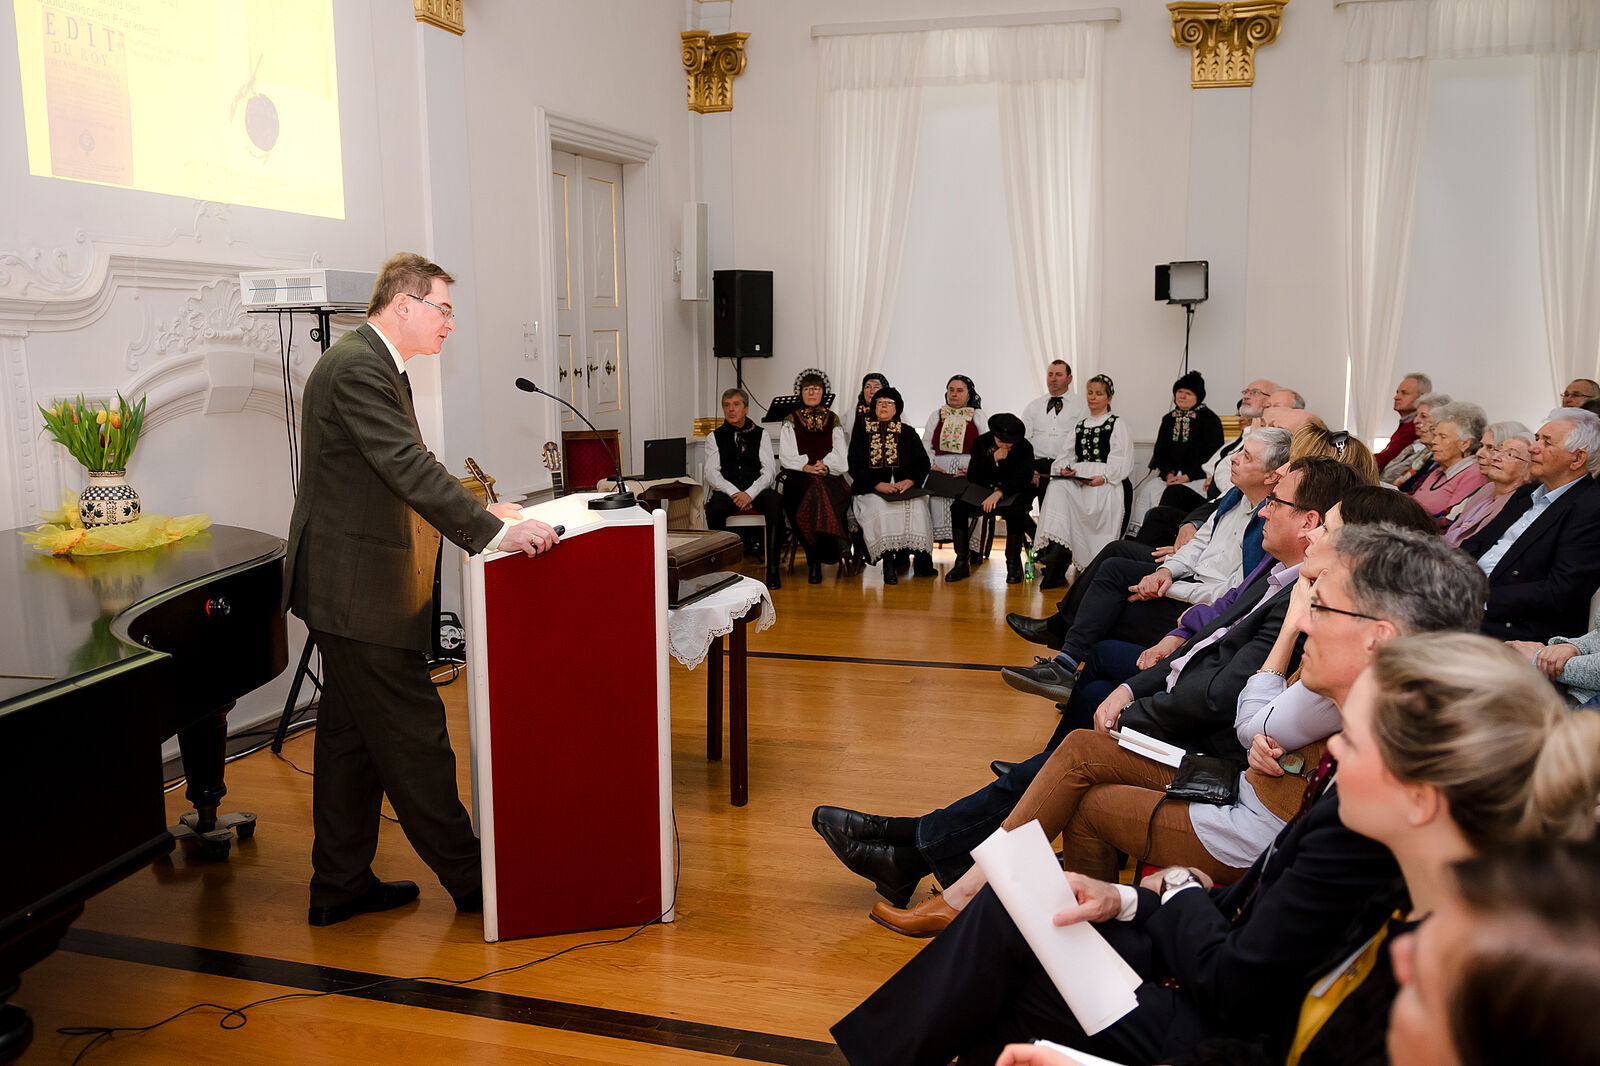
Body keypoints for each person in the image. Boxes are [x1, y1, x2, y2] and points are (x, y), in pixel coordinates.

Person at [830, 632, 1600, 1066]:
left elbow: (1254, 1011)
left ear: (1420, 795)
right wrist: (1135, 895)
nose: (1323, 762)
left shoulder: (1457, 943)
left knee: (1014, 974)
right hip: (1217, 993)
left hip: (1214, 1008)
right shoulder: (1424, 886)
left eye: (1351, 744)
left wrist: (1174, 897)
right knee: (1023, 931)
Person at [870, 519, 1484, 938]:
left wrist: (1295, 628)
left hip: (1236, 789)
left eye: (1327, 524)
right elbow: (1221, 652)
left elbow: (1244, 713)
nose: (1317, 528)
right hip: (1227, 757)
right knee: (1086, 740)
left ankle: (990, 901)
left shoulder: (1329, 650)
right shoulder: (1301, 603)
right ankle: (980, 892)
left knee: (1086, 766)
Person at [813, 459, 1361, 910]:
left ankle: (916, 846)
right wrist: (1147, 677)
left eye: (1276, 501)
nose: (1263, 507)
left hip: (1205, 740)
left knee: (1079, 745)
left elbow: (1224, 697)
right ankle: (919, 845)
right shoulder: (1277, 574)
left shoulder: (1306, 601)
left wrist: (1142, 702)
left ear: (1311, 522)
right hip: (1186, 702)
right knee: (1092, 693)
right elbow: (1210, 637)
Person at [285, 253, 560, 926]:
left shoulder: (374, 363)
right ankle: (477, 884)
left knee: (351, 746)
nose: (451, 324)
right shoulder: (356, 367)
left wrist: (482, 512)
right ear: (403, 304)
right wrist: (492, 534)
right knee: (415, 741)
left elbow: (404, 463)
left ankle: (339, 886)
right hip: (359, 593)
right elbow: (404, 464)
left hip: (353, 590)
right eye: (444, 308)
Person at [996, 841, 1600, 1066]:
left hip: (1214, 990)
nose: (1405, 957)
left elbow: (1238, 983)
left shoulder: (1370, 870)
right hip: (1218, 980)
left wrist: (1177, 891)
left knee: (1023, 968)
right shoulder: (1400, 903)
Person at [1001, 428, 1288, 668]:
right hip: (1189, 580)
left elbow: (1228, 595)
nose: (1233, 460)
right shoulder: (1235, 495)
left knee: (1112, 590)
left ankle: (1067, 658)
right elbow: (1200, 543)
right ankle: (1067, 657)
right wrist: (1166, 572)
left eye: (1246, 457)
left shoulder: (1268, 526)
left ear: (1271, 476)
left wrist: (1167, 584)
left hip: (1202, 602)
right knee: (1117, 557)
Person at [1462, 408, 1600, 642]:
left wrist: (1478, 598)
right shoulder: (1525, 494)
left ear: (1577, 459)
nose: (1533, 448)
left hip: (1517, 628)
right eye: (1537, 438)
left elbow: (1561, 591)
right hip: (1467, 598)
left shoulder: (1590, 507)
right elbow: (1476, 544)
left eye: (1547, 442)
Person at [1035, 375, 1133, 588]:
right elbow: (1066, 455)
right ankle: (1056, 552)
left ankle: (1093, 564)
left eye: (1099, 393)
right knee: (1058, 485)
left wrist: (1104, 477)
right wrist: (1066, 469)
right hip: (1080, 479)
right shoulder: (1080, 425)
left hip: (1105, 482)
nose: (1093, 397)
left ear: (1109, 397)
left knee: (1103, 498)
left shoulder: (1117, 423)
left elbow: (1123, 460)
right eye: (1090, 392)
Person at [849, 387, 933, 586]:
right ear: (873, 407)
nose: (884, 406)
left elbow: (923, 463)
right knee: (882, 508)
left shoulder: (908, 432)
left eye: (889, 403)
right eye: (879, 403)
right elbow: (854, 465)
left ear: (897, 408)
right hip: (871, 489)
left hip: (905, 489)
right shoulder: (862, 433)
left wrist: (910, 481)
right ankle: (888, 565)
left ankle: (920, 563)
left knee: (918, 508)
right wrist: (877, 484)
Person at [703, 387, 784, 588]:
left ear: (746, 408)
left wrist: (749, 494)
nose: (731, 410)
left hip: (756, 490)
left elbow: (769, 471)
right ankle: (721, 573)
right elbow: (712, 473)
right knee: (714, 509)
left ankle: (773, 572)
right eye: (727, 405)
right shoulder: (714, 437)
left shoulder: (761, 434)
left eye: (736, 405)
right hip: (728, 492)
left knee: (775, 503)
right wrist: (735, 493)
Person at [779, 368, 852, 584]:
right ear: (800, 392)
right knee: (813, 488)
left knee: (818, 487)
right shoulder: (791, 420)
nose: (811, 393)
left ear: (823, 392)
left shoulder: (833, 419)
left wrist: (825, 466)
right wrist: (807, 467)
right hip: (799, 479)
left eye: (816, 389)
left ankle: (815, 562)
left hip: (830, 478)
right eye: (807, 389)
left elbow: (841, 457)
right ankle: (834, 544)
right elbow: (786, 455)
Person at [948, 413, 1036, 584]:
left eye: (1010, 442)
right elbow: (973, 475)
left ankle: (1013, 563)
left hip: (1012, 491)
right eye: (1002, 441)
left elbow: (1023, 478)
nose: (1006, 445)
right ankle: (961, 561)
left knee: (1016, 512)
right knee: (957, 507)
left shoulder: (1025, 447)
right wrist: (993, 459)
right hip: (983, 488)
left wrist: (1000, 492)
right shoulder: (981, 442)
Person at [1129, 372, 1224, 528]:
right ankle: (1140, 536)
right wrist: (1169, 474)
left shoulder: (1210, 419)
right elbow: (1160, 451)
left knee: (1177, 498)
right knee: (1148, 491)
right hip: (1169, 477)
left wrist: (1187, 476)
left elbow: (1213, 455)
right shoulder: (1169, 418)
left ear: (1197, 397)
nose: (1182, 396)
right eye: (1180, 392)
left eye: (1188, 393)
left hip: (1196, 478)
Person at [924, 375, 989, 564]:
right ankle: (931, 547)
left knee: (967, 503)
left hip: (968, 470)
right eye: (951, 390)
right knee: (932, 501)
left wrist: (973, 468)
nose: (954, 394)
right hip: (939, 470)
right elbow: (926, 444)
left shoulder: (978, 415)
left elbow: (986, 446)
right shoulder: (936, 415)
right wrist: (931, 465)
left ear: (969, 394)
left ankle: (970, 550)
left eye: (960, 390)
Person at [1441, 420, 1531, 543]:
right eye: (1498, 451)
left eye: (1509, 454)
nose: (1478, 454)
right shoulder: (1487, 488)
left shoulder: (1519, 504)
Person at [1406, 402, 1487, 522]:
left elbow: (1449, 521)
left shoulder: (1474, 474)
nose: (1434, 441)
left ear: (1465, 444)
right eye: (1435, 435)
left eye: (1442, 437)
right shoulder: (1440, 468)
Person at [1022, 360, 1088, 505]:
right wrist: (1029, 467)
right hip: (1035, 467)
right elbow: (1024, 440)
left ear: (1069, 378)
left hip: (1063, 467)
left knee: (1052, 512)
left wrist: (1068, 467)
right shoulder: (1034, 406)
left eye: (1058, 374)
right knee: (1016, 507)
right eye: (1050, 374)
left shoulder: (1082, 406)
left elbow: (1081, 441)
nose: (1053, 378)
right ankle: (1033, 529)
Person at [1197, 379, 1275, 500]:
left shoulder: (1272, 441)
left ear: (1271, 402)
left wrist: (1215, 476)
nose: (1246, 396)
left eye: (1255, 392)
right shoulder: (1245, 435)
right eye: (1246, 392)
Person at [1383, 391, 1450, 486]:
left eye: (1423, 416)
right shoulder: (1418, 448)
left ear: (1440, 421)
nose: (1415, 421)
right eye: (1416, 415)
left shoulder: (1440, 457)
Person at [1373, 372, 1429, 470]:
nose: (1396, 397)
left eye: (1404, 393)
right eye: (1397, 392)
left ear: (1422, 398)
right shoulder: (1406, 424)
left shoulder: (1415, 428)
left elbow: (1385, 459)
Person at [849, 372, 890, 439]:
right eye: (868, 387)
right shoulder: (851, 415)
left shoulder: (895, 413)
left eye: (876, 387)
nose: (872, 391)